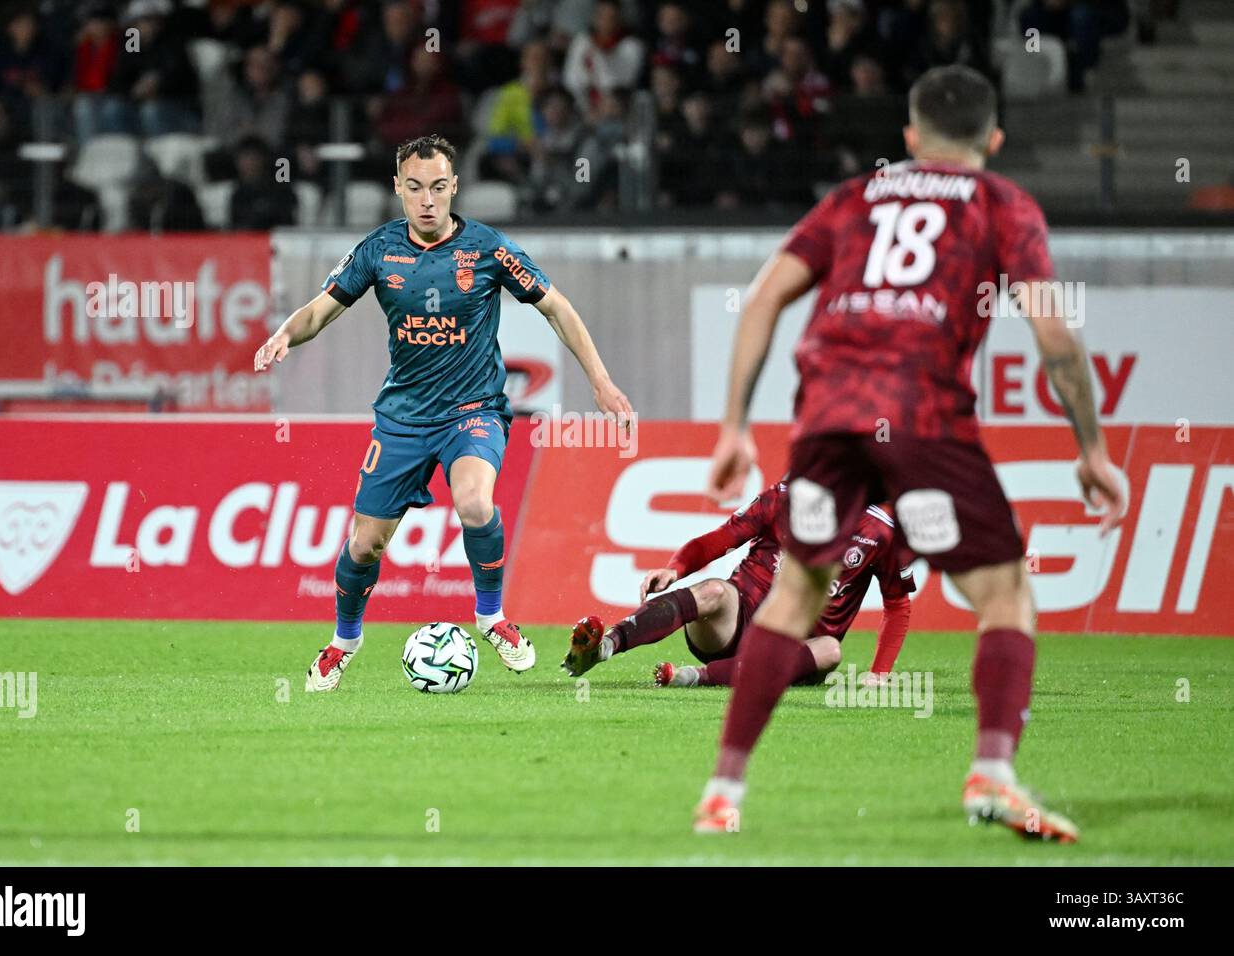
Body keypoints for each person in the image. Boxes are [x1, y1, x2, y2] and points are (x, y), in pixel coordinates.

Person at [694, 65, 1125, 842]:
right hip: (925, 417)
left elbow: (762, 298)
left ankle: (723, 792)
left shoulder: (856, 198)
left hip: (827, 419)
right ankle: (991, 776)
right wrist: (1091, 449)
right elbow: (1054, 334)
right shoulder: (1003, 203)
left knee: (793, 600)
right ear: (993, 139)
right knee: (1004, 599)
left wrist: (731, 426)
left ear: (909, 137)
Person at [253, 134, 633, 688]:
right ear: (397, 189)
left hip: (472, 411)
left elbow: (557, 306)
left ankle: (491, 616)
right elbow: (319, 311)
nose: (426, 200)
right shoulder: (378, 251)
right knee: (365, 544)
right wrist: (285, 335)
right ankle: (344, 639)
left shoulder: (488, 248)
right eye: (414, 188)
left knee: (476, 503)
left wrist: (599, 380)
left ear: (454, 187)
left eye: (437, 188)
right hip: (402, 419)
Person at [561, 484, 914, 689]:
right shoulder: (783, 498)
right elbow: (721, 539)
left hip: (793, 649)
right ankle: (605, 646)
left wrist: (879, 674)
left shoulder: (881, 531)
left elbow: (897, 605)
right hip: (737, 623)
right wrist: (676, 568)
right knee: (714, 590)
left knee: (830, 652)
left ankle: (694, 678)